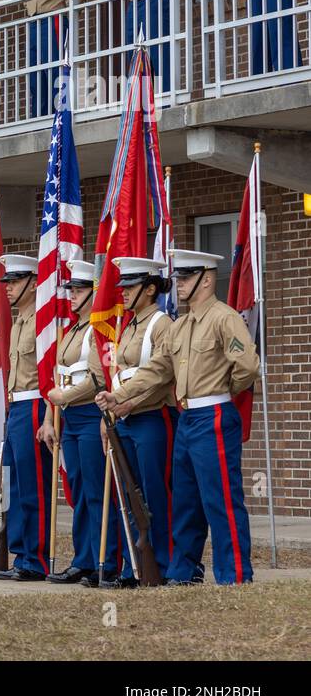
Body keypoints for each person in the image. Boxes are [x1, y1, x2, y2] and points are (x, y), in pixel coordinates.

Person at [96, 250, 260, 586]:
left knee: (221, 499)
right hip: (188, 418)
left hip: (213, 413)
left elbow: (247, 366)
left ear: (207, 279)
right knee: (186, 500)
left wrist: (221, 390)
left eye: (186, 277)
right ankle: (183, 572)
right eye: (179, 277)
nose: (179, 284)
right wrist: (120, 396)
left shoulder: (224, 318)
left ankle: (234, 575)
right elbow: (158, 370)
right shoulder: (181, 324)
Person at [91, 256, 176, 589]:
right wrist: (111, 410)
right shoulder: (128, 325)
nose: (123, 292)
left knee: (154, 494)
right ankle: (133, 567)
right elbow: (116, 372)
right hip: (124, 418)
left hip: (150, 417)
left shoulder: (161, 323)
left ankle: (163, 564)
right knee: (127, 494)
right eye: (122, 286)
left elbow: (160, 372)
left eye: (130, 286)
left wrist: (125, 399)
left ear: (150, 288)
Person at [38, 261, 118, 586]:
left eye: (80, 289)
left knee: (98, 490)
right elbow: (61, 373)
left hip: (88, 413)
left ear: (94, 293)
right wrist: (56, 405)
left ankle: (106, 560)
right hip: (70, 417)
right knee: (80, 492)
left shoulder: (98, 331)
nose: (72, 295)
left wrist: (64, 395)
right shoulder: (70, 330)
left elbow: (100, 379)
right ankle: (83, 559)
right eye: (71, 289)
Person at [0, 253, 52, 581]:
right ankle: (20, 554)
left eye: (15, 282)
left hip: (34, 406)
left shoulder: (42, 321)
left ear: (32, 283)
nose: (9, 288)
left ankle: (36, 559)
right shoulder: (19, 322)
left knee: (33, 486)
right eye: (8, 282)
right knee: (12, 486)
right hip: (16, 408)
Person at [21, 0, 74, 119]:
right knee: (36, 75)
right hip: (35, 23)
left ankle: (59, 116)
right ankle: (41, 118)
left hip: (53, 21)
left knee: (54, 70)